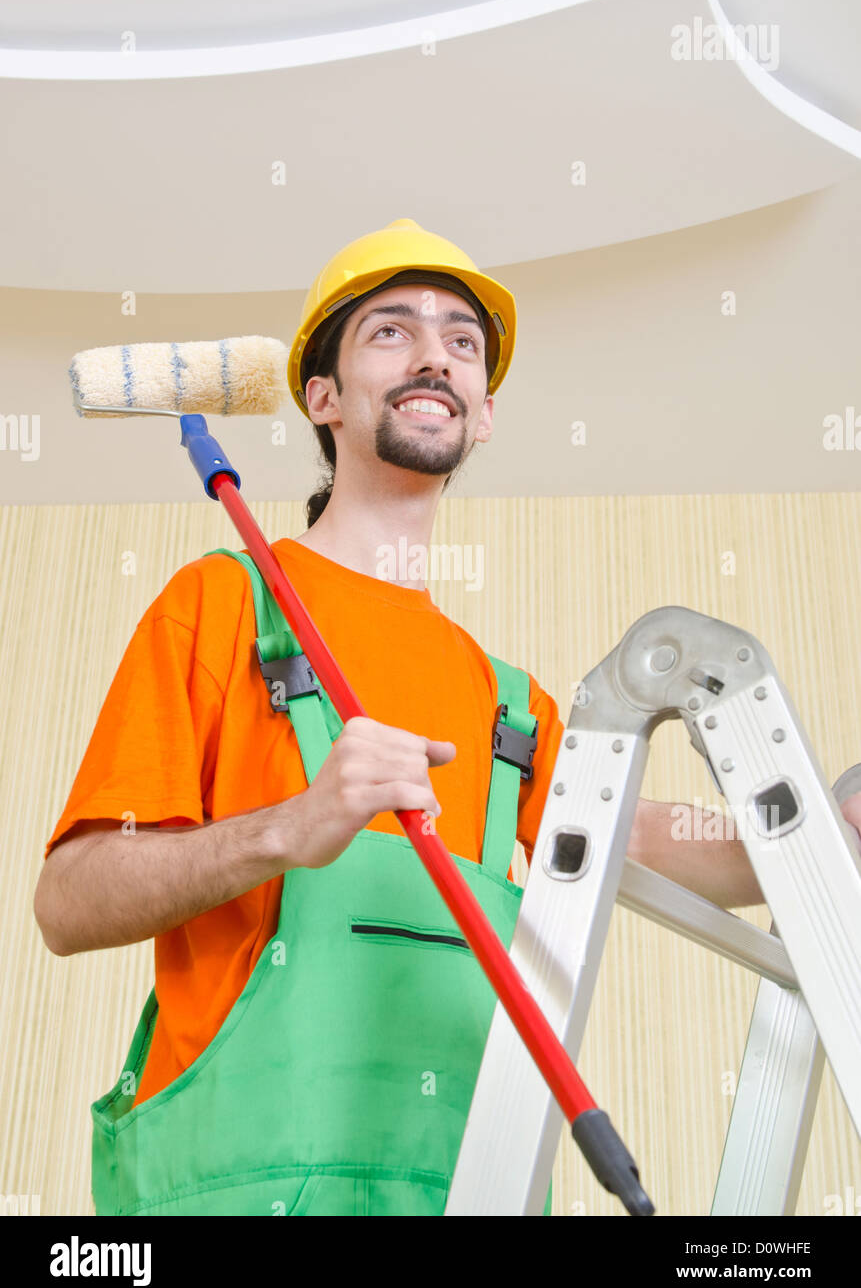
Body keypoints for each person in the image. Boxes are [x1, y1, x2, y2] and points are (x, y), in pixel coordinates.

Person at [33, 218, 861, 1217]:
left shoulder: (508, 698)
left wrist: (817, 828)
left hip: (471, 1184)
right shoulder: (221, 605)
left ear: (484, 411)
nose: (435, 353)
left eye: (462, 341)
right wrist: (286, 828)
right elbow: (69, 901)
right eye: (391, 331)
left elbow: (638, 839)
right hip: (236, 1186)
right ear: (322, 397)